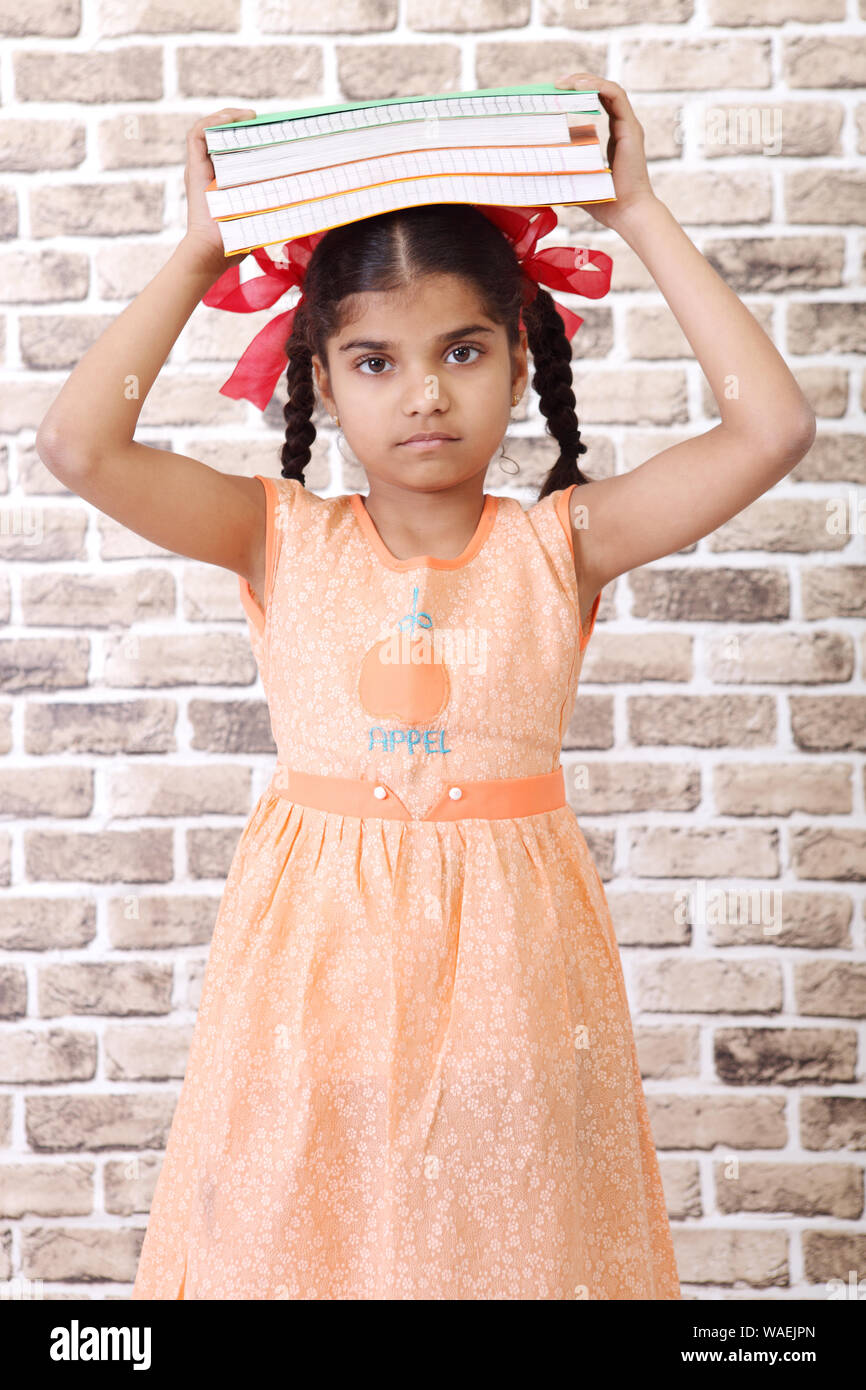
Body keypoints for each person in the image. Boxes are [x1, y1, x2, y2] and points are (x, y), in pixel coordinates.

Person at [35, 74, 816, 1301]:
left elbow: (768, 427)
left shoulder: (564, 542)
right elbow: (81, 444)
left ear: (520, 356)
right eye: (374, 359)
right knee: (299, 1243)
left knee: (506, 1246)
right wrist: (199, 251)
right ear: (323, 380)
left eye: (461, 350)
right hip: (307, 978)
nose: (424, 392)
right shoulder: (273, 535)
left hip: (514, 969)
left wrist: (640, 211)